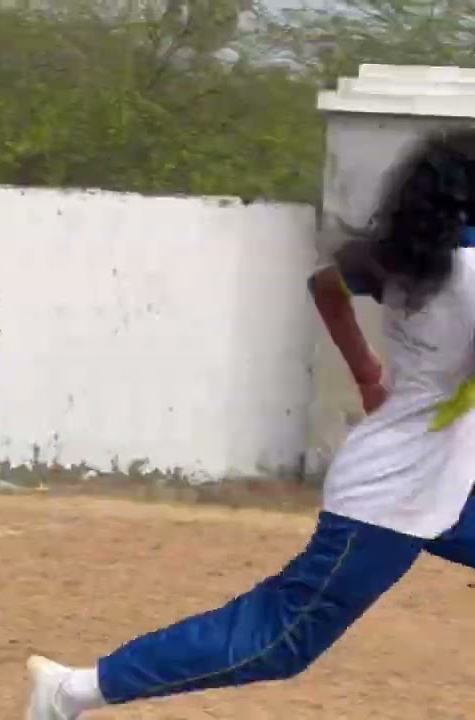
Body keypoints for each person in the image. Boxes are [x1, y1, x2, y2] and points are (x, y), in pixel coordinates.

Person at [25, 127, 475, 719]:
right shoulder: (467, 273)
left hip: (436, 479)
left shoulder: (412, 255)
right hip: (396, 496)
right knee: (283, 637)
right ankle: (71, 691)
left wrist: (368, 373)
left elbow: (325, 284)